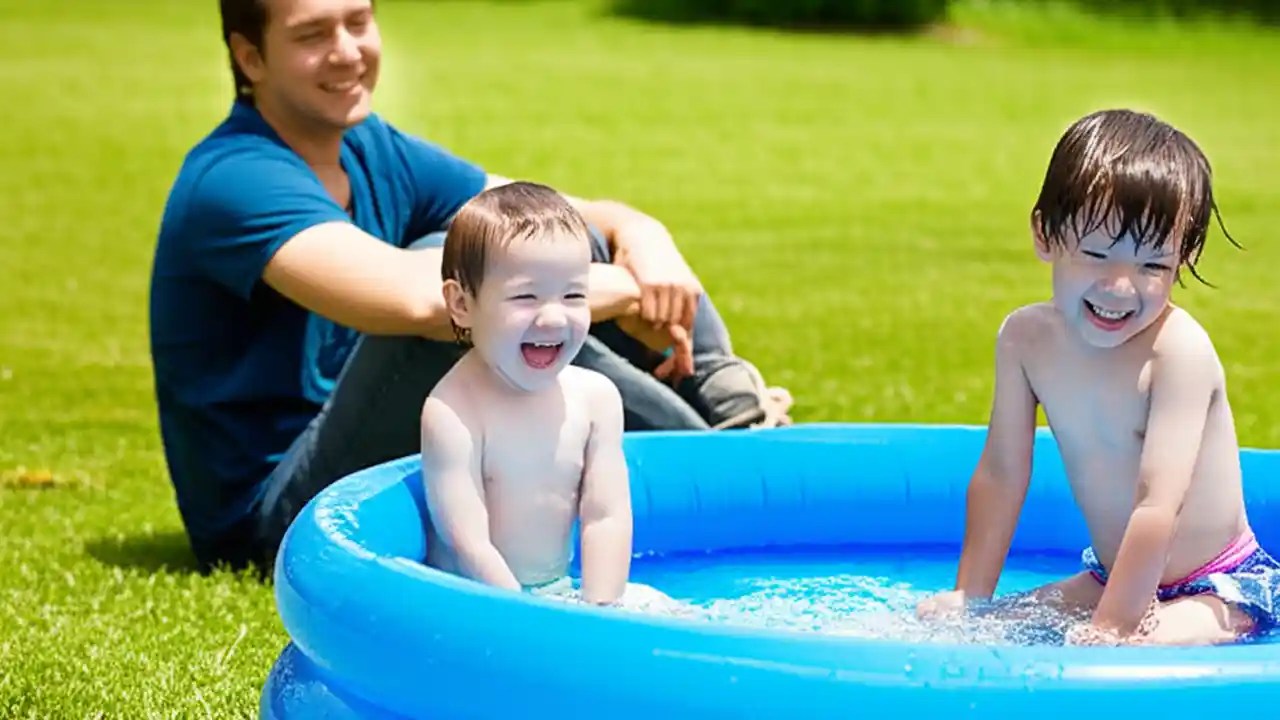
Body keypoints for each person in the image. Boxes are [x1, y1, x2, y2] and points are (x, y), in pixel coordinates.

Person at [148, 0, 792, 574]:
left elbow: (557, 215)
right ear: (250, 57)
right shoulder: (233, 179)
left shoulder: (371, 147)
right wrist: (621, 291)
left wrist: (645, 235)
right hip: (278, 513)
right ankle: (724, 457)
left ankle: (728, 401)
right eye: (313, 33)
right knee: (464, 293)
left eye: (359, 21)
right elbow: (421, 302)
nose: (347, 51)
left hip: (375, 438)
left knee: (551, 243)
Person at [915, 109, 1280, 646]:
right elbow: (1001, 474)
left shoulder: (1177, 351)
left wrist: (1114, 626)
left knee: (1128, 646)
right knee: (973, 630)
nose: (1120, 287)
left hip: (1221, 588)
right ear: (1046, 234)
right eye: (1096, 255)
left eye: (1152, 266)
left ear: (1183, 258)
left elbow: (1160, 502)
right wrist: (971, 596)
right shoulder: (1025, 340)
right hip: (1112, 575)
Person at [420, 181, 674, 610]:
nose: (554, 316)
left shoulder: (595, 399)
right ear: (462, 304)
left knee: (668, 614)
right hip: (481, 604)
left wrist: (599, 609)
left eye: (574, 295)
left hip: (559, 596)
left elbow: (605, 515)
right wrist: (528, 622)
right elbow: (467, 541)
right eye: (525, 296)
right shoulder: (454, 412)